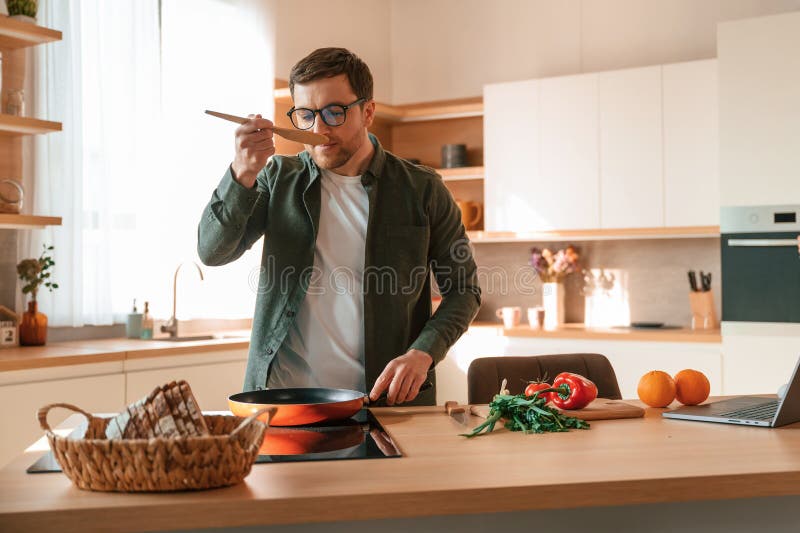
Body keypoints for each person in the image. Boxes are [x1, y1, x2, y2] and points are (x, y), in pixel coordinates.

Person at [198, 47, 480, 406]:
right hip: (283, 400)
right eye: (306, 114)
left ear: (368, 112)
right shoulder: (277, 178)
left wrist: (423, 353)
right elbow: (212, 251)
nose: (319, 129)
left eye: (334, 112)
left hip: (383, 404)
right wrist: (242, 172)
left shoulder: (422, 189)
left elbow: (465, 290)